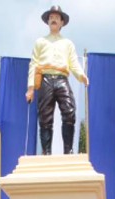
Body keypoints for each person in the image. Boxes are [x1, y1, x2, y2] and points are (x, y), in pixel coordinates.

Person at [25, 5, 89, 155]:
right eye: (51, 17)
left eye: (56, 18)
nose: (53, 20)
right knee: (45, 117)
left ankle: (68, 150)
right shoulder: (40, 42)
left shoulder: (68, 43)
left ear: (62, 23)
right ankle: (46, 152)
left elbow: (73, 64)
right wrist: (30, 88)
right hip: (45, 78)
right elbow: (33, 64)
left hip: (61, 78)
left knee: (69, 111)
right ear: (48, 21)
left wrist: (81, 76)